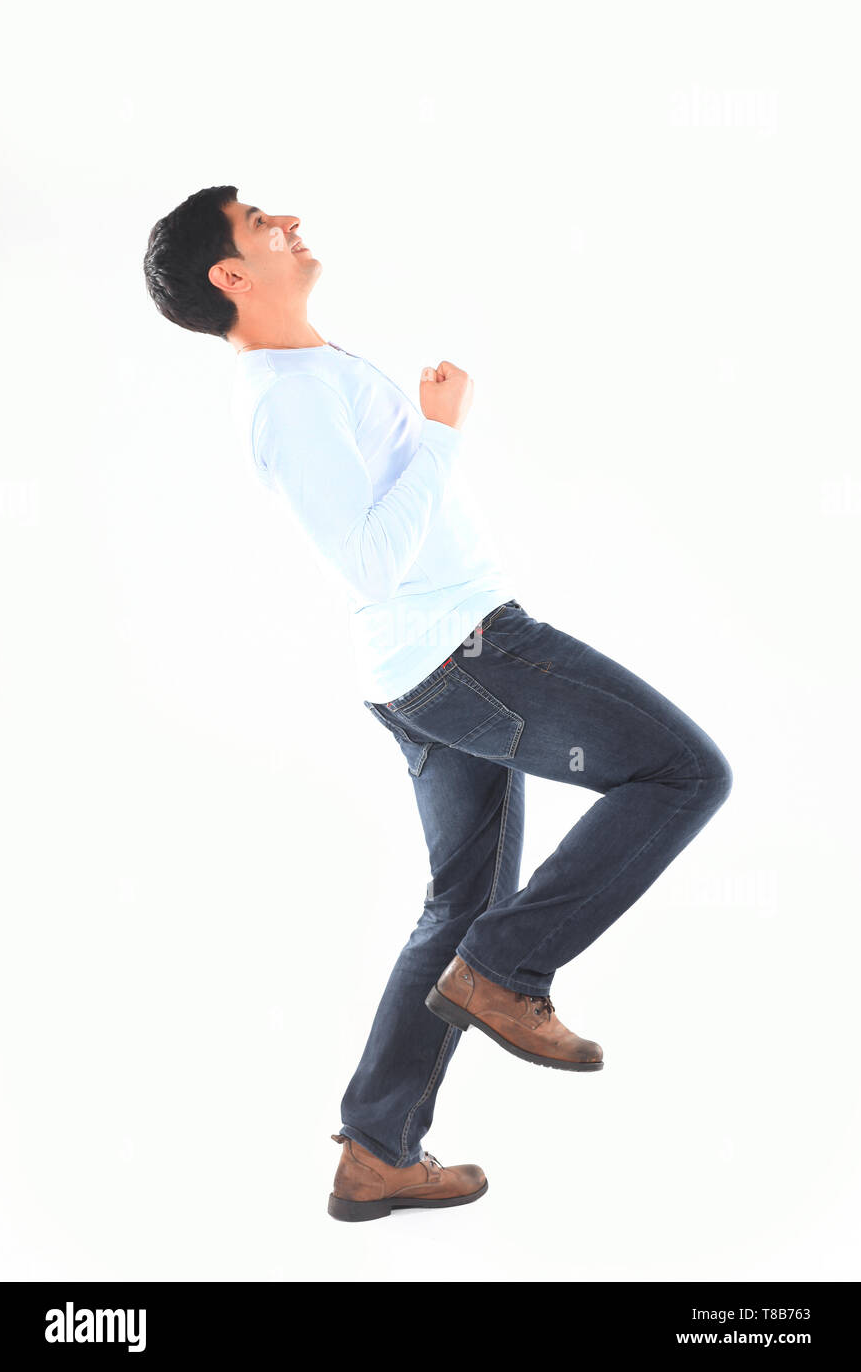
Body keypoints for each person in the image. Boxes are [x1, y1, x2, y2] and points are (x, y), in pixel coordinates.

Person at [144, 185, 733, 1223]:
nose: (286, 222)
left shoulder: (305, 372)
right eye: (257, 224)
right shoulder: (283, 395)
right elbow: (371, 563)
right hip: (463, 652)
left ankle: (376, 1149)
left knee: (455, 906)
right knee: (684, 773)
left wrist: (424, 434)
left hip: (430, 661)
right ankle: (507, 971)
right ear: (230, 276)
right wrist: (441, 432)